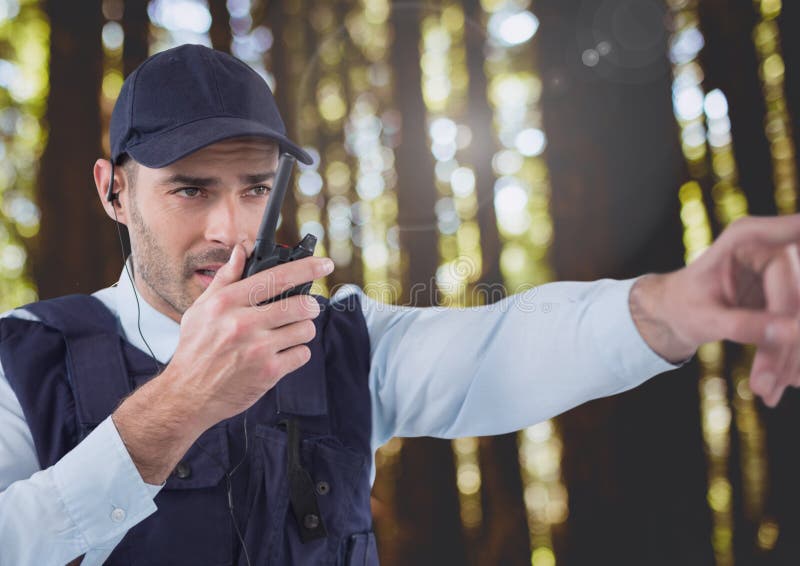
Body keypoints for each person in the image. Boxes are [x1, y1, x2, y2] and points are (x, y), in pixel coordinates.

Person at [0, 44, 798, 566]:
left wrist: (680, 303)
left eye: (253, 189)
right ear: (112, 192)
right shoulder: (21, 360)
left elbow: (509, 344)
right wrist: (178, 404)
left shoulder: (341, 343)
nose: (229, 229)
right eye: (189, 189)